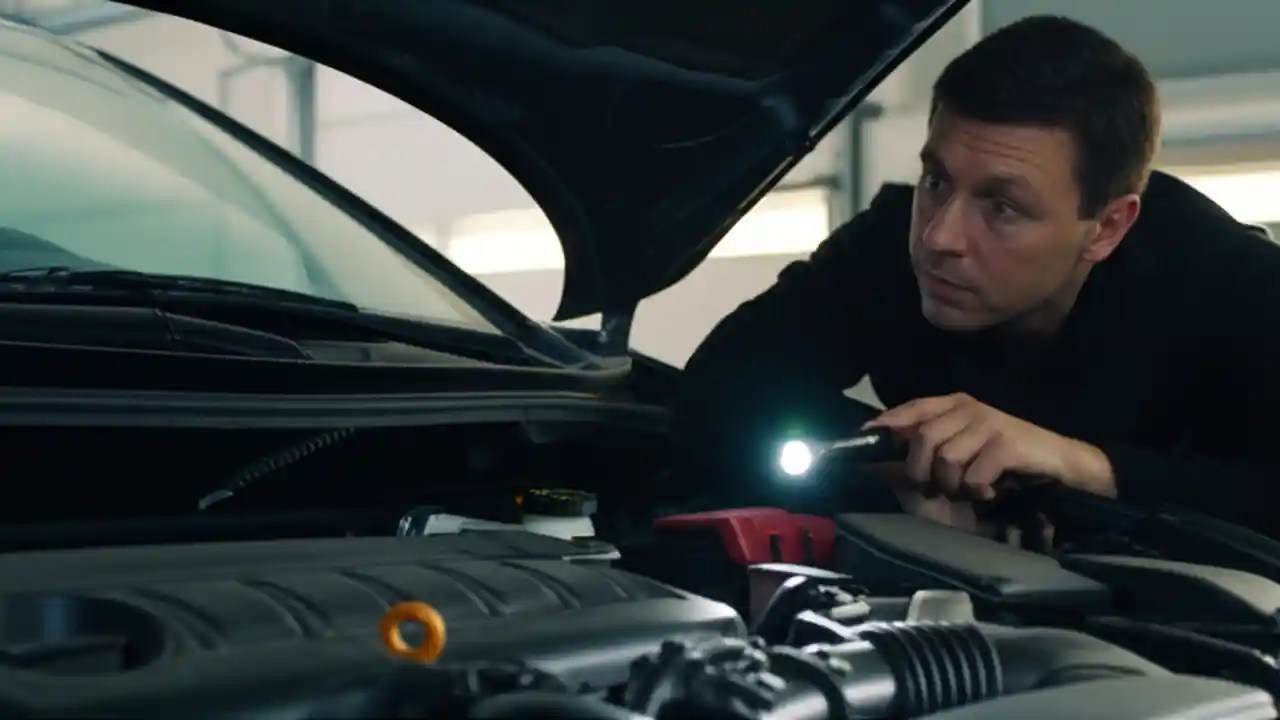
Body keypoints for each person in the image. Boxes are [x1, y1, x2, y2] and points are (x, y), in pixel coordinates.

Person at [675, 15, 1280, 539]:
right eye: (936, 180)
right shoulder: (890, 243)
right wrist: (903, 467)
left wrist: (1080, 466)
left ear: (1106, 227)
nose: (939, 237)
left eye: (1003, 207)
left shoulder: (1236, 288)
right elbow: (725, 385)